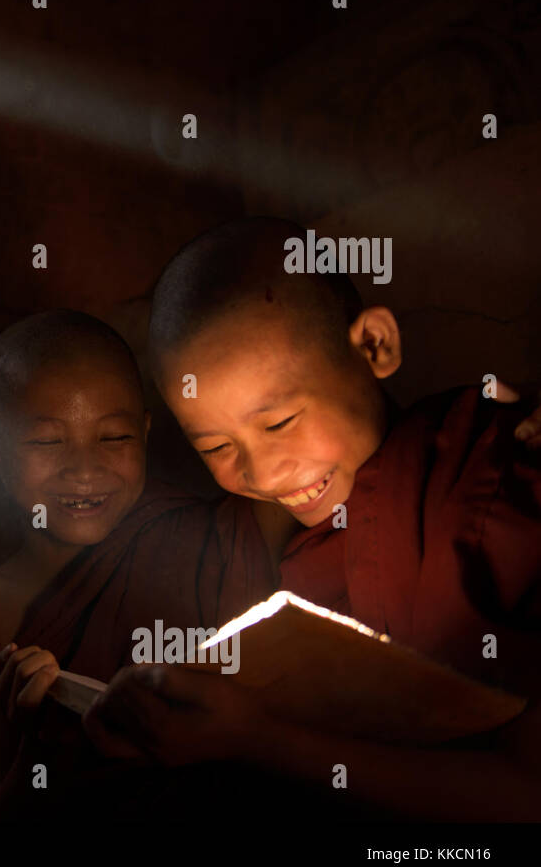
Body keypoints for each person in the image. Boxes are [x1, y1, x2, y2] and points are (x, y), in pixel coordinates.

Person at [83, 216, 541, 820]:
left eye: (279, 422)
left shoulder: (499, 465)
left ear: (375, 346)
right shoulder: (303, 564)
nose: (266, 474)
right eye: (217, 447)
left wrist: (260, 739)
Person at [0, 310, 274, 819]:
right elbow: (2, 811)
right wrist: (39, 748)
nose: (85, 470)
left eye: (114, 438)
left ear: (146, 434)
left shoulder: (210, 535)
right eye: (46, 441)